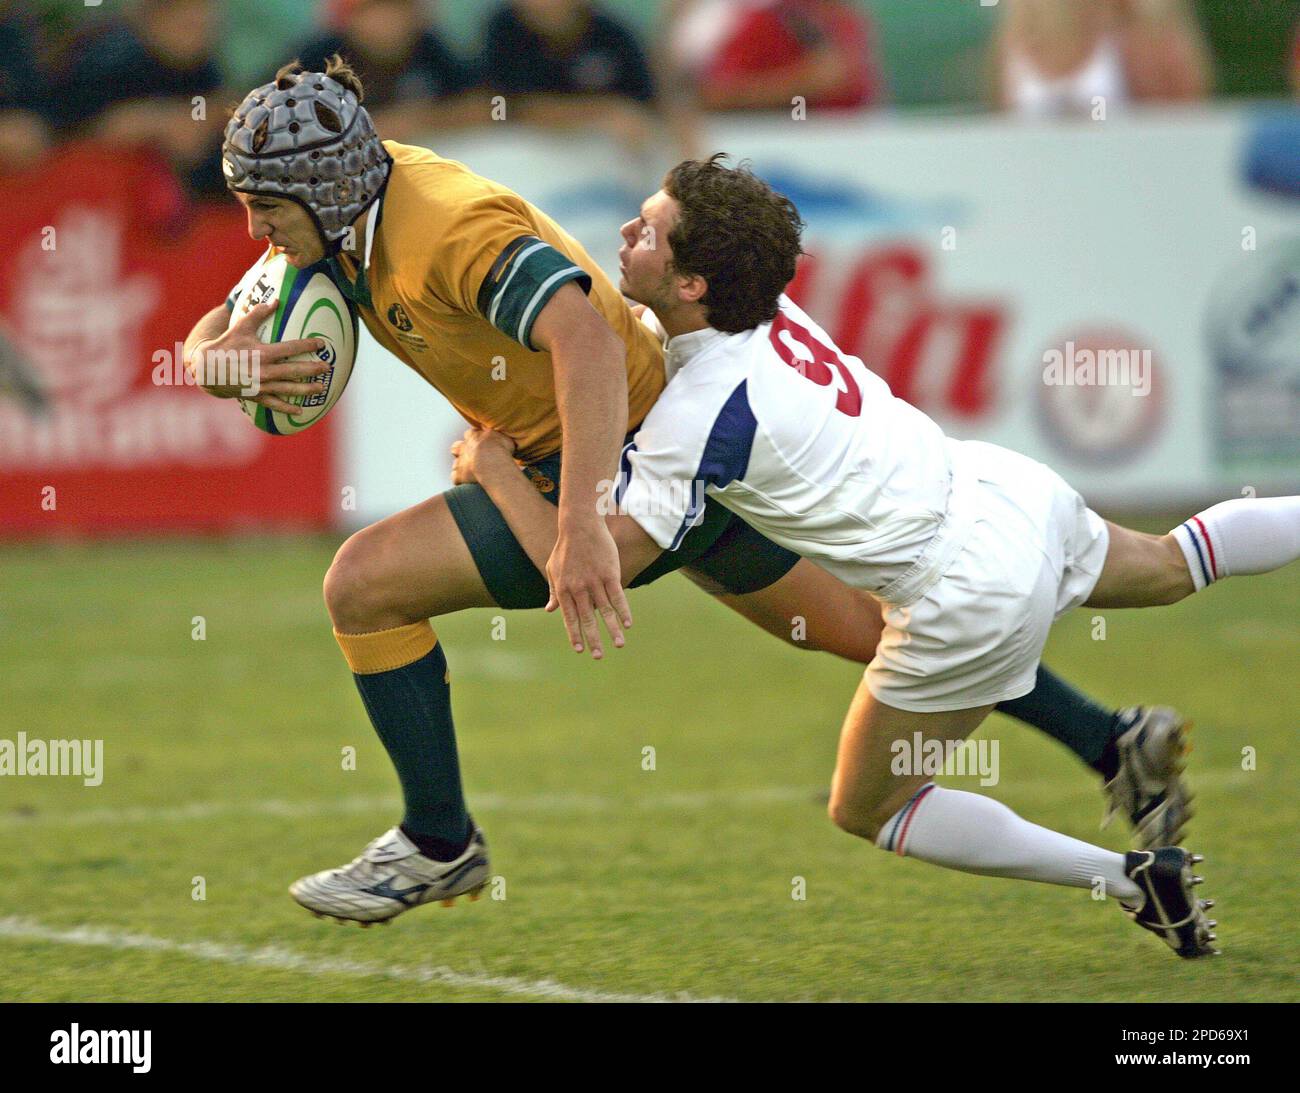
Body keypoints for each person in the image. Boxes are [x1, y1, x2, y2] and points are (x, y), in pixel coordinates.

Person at [185, 59, 1193, 927]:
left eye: (264, 208)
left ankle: (440, 841)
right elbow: (201, 344)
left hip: (628, 451)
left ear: (328, 189)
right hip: (646, 452)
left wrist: (575, 514)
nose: (252, 227)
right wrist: (222, 369)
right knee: (863, 628)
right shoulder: (320, 225)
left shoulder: (445, 225)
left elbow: (577, 329)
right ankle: (1112, 741)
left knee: (362, 583)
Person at [455, 157, 1300, 958]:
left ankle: (1128, 880)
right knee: (1176, 561)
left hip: (962, 587)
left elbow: (592, 573)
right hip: (1006, 492)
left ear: (692, 285)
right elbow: (649, 341)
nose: (625, 236)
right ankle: (1116, 747)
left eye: (648, 229)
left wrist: (494, 473)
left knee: (872, 806)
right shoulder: (764, 308)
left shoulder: (700, 413)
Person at [294, 0, 482, 143]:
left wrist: (423, 121)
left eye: (398, 8)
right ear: (348, 18)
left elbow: (482, 105)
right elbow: (277, 121)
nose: (387, 20)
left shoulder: (428, 46)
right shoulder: (321, 56)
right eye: (373, 10)